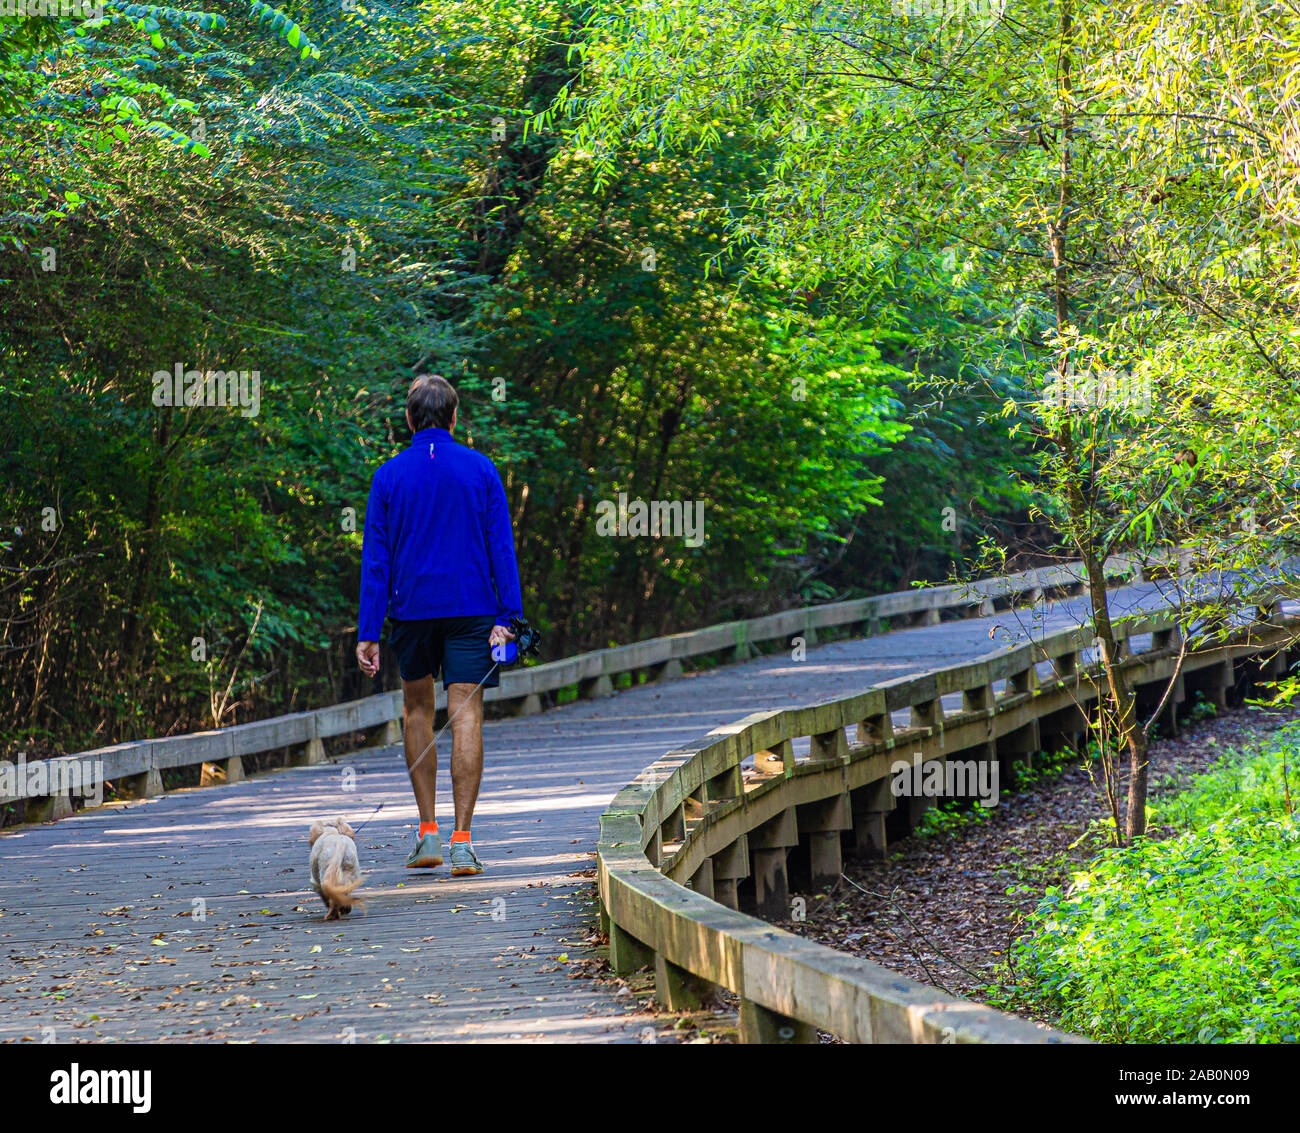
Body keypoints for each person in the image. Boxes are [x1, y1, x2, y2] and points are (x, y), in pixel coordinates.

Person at [355, 374, 522, 876]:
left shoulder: (387, 477)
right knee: (466, 713)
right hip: (472, 609)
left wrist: (369, 629)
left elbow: (376, 561)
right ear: (454, 417)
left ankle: (427, 833)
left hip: (412, 611)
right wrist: (509, 616)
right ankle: (463, 840)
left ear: (408, 420)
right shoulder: (481, 470)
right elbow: (502, 548)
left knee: (416, 712)